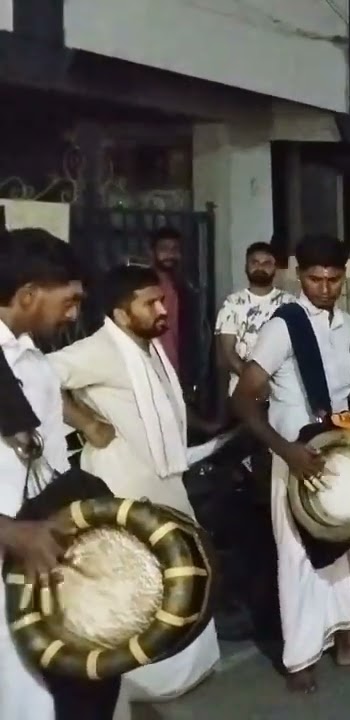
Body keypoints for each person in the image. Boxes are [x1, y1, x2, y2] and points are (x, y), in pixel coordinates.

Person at [230, 235, 350, 693]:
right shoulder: (283, 326)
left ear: (344, 276)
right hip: (296, 456)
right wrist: (286, 452)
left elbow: (342, 394)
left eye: (333, 278)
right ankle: (299, 657)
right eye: (314, 278)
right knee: (299, 556)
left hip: (338, 453)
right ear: (298, 276)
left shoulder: (348, 326)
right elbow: (243, 399)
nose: (324, 287)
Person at [49, 264, 221, 704]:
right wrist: (86, 421)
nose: (162, 308)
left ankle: (184, 673)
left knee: (183, 574)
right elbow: (35, 378)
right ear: (122, 313)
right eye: (151, 302)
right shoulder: (99, 350)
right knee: (138, 590)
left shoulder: (148, 349)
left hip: (165, 483)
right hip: (123, 490)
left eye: (161, 299)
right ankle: (140, 685)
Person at [0, 228, 130, 719]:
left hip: (31, 565)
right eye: (70, 300)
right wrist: (10, 530)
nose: (75, 314)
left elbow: (51, 469)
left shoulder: (37, 369)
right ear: (28, 294)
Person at [214, 242, 295, 395]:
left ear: (275, 267)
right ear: (246, 266)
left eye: (266, 263)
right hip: (242, 392)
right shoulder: (232, 303)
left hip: (283, 394)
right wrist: (253, 382)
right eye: (255, 262)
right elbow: (227, 352)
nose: (260, 267)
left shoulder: (289, 303)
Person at [149, 227, 189, 381]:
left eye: (175, 249)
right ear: (152, 252)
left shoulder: (185, 289)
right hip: (150, 369)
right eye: (164, 249)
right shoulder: (143, 286)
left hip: (176, 373)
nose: (170, 255)